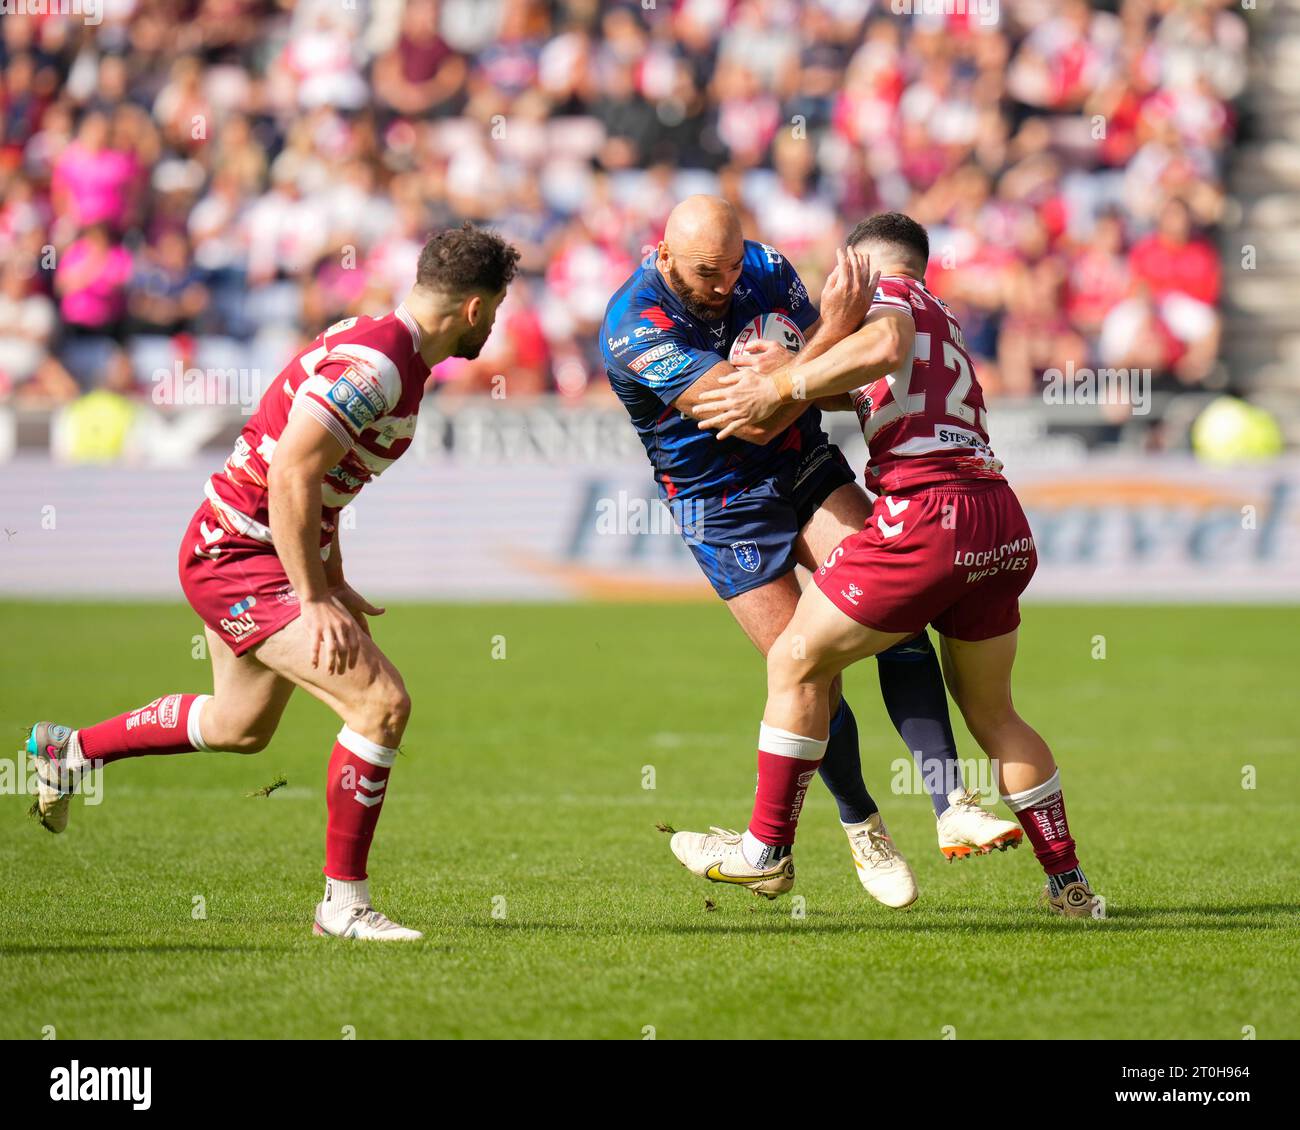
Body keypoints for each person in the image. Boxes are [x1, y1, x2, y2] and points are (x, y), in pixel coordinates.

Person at [26, 223, 520, 940]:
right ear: (475, 309)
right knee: (380, 705)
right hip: (239, 555)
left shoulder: (390, 348)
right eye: (497, 309)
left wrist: (334, 576)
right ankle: (342, 906)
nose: (496, 325)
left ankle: (69, 750)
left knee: (239, 728)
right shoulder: (382, 366)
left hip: (240, 546)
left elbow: (326, 480)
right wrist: (312, 597)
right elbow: (293, 470)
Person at [600, 197, 1020, 906]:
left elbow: (812, 392)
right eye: (708, 272)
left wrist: (803, 360)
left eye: (733, 265)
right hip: (721, 503)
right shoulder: (635, 326)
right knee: (809, 672)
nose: (726, 284)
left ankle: (954, 804)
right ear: (663, 257)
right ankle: (863, 825)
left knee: (899, 608)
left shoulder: (765, 267)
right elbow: (753, 414)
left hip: (804, 465)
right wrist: (818, 343)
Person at [685, 212, 1096, 917]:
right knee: (994, 711)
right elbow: (876, 378)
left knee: (793, 661)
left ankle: (765, 849)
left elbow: (884, 342)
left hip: (929, 516)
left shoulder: (890, 302)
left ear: (861, 263)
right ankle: (1071, 886)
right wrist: (798, 374)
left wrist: (779, 388)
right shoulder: (946, 317)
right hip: (997, 514)